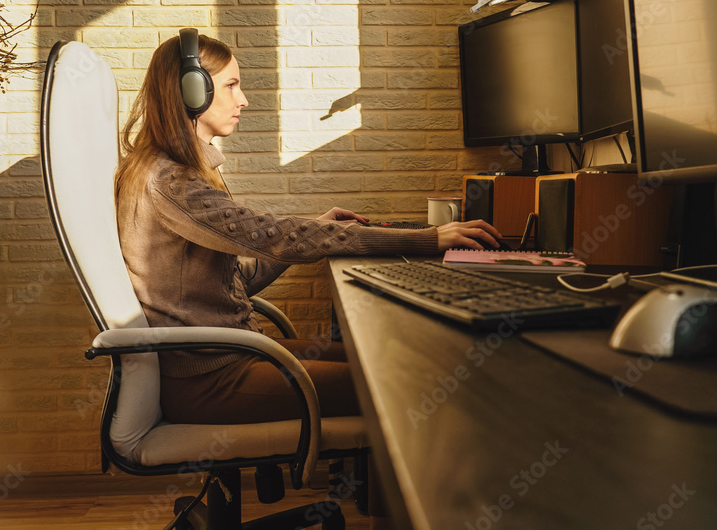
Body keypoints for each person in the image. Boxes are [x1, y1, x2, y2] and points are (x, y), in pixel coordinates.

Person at [114, 30, 501, 525]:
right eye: (231, 85)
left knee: (378, 355)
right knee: (418, 384)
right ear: (194, 91)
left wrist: (319, 228)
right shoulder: (170, 182)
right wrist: (429, 239)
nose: (244, 99)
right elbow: (275, 236)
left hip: (225, 357)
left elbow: (243, 275)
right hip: (213, 379)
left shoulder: (168, 171)